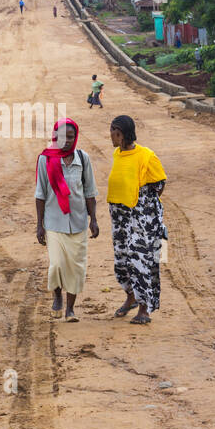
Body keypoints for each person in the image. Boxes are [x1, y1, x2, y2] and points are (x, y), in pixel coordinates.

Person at [35, 118, 98, 322]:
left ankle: (70, 309)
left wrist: (94, 219)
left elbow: (89, 191)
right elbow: (40, 193)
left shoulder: (83, 158)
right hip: (54, 221)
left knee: (76, 267)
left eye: (71, 137)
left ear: (76, 137)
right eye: (62, 137)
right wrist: (39, 225)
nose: (67, 141)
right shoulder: (45, 159)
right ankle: (57, 296)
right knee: (57, 264)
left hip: (78, 221)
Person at [106, 115, 168, 325]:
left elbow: (160, 183)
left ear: (120, 133)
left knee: (141, 260)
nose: (110, 136)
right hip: (119, 217)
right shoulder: (117, 153)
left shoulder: (146, 155)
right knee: (122, 262)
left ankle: (144, 309)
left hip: (140, 218)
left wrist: (145, 207)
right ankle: (131, 297)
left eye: (112, 131)